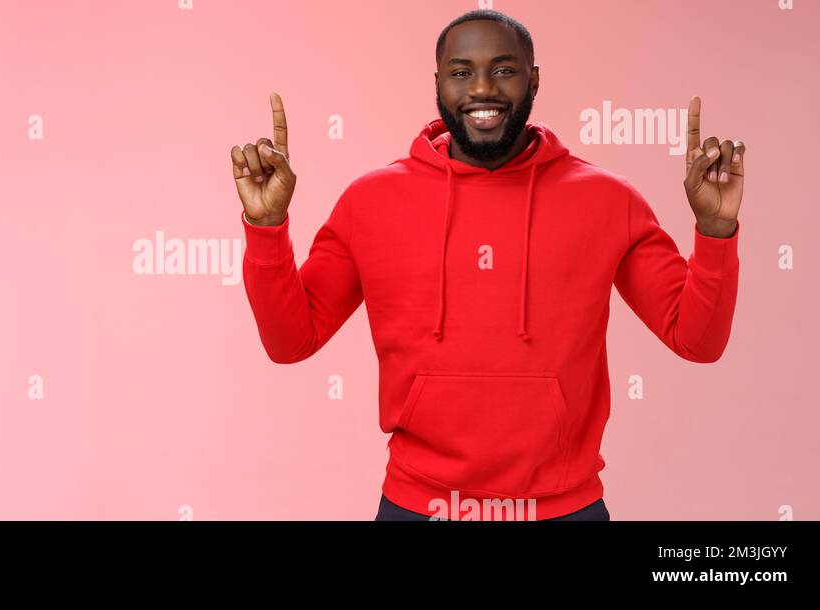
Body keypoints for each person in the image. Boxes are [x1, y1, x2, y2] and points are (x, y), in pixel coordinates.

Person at [228, 9, 743, 521]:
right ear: (437, 83)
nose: (482, 89)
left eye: (503, 69)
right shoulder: (370, 201)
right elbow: (291, 342)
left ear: (533, 78)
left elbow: (696, 342)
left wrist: (715, 231)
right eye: (461, 72)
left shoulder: (609, 201)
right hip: (419, 507)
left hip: (564, 510)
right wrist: (267, 227)